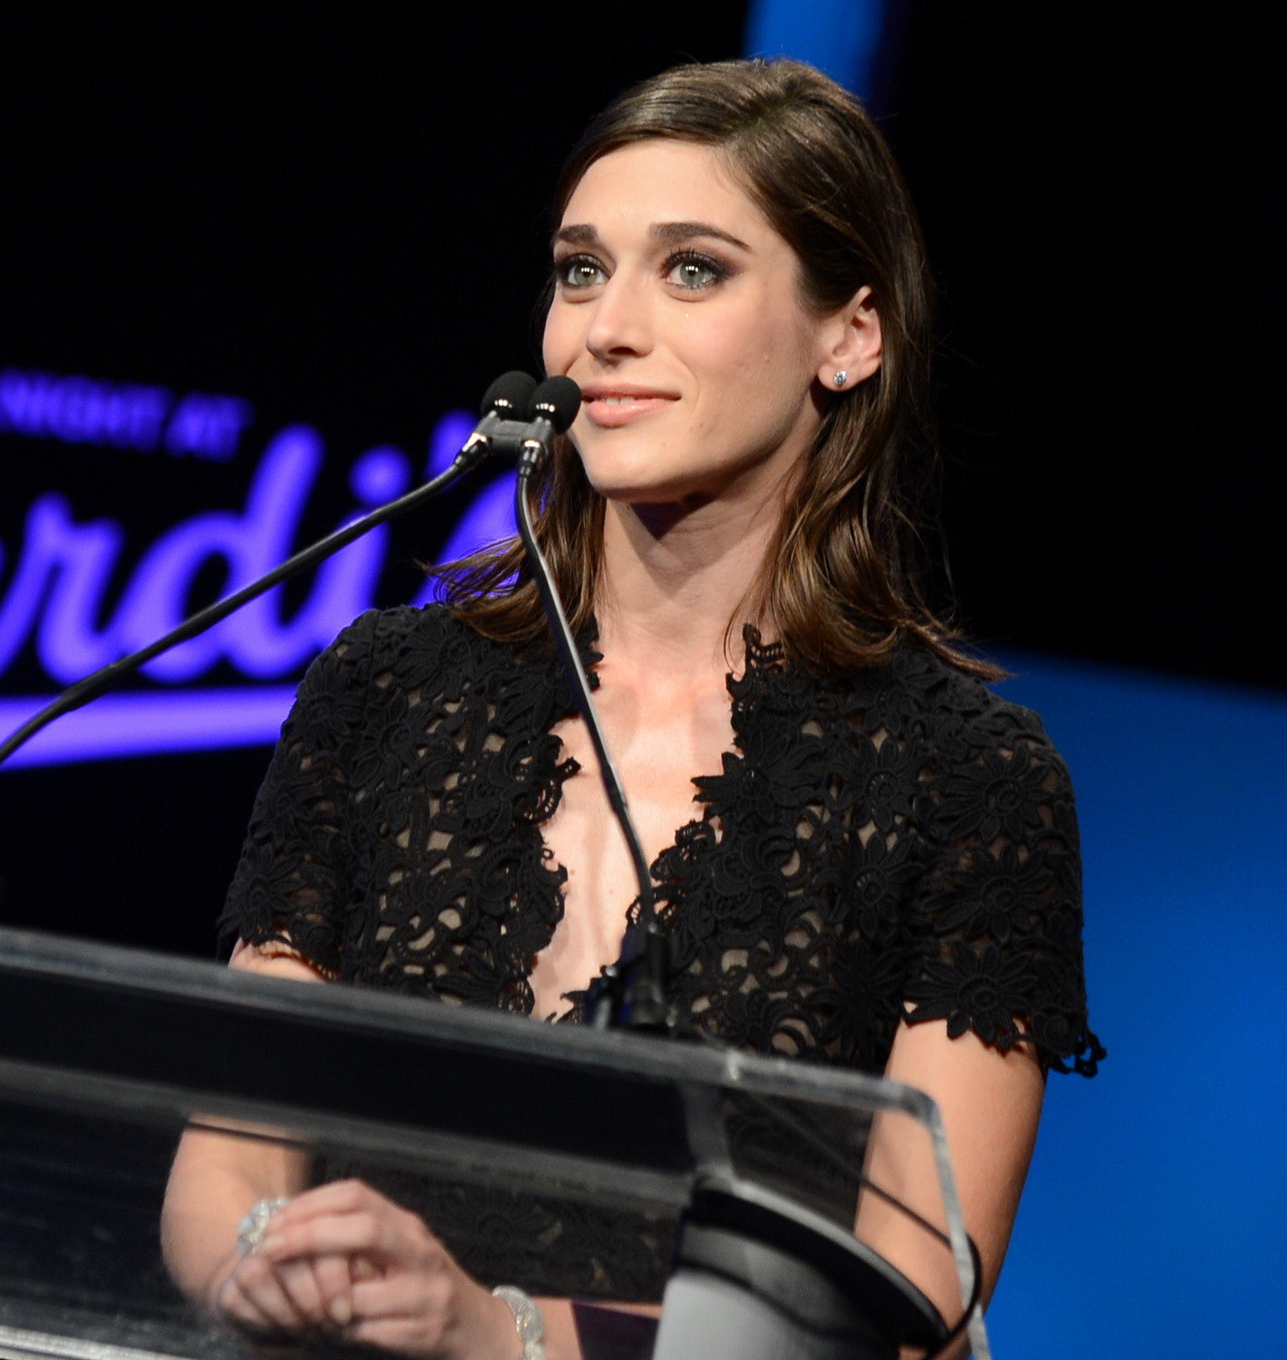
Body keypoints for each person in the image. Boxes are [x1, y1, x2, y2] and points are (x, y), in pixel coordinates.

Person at [161, 57, 1101, 1360]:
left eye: (694, 269)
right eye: (581, 269)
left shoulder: (964, 778)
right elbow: (227, 1165)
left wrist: (505, 1341)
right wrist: (278, 1273)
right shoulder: (386, 692)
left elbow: (908, 1302)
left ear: (852, 336)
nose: (602, 329)